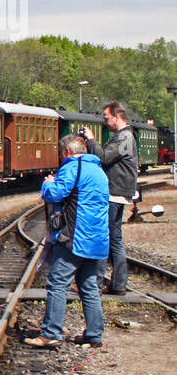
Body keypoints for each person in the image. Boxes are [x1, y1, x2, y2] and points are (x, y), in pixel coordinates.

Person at [24, 134, 109, 348]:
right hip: (97, 239)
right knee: (88, 286)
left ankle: (52, 332)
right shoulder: (99, 170)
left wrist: (47, 184)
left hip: (74, 237)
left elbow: (55, 194)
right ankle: (94, 335)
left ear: (67, 152)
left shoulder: (73, 167)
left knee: (57, 283)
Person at [83, 102, 137, 295]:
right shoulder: (122, 137)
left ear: (116, 116)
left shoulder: (124, 138)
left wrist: (91, 140)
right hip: (118, 193)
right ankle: (117, 285)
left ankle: (96, 284)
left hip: (114, 194)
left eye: (106, 119)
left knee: (104, 238)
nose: (105, 122)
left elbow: (104, 158)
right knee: (113, 239)